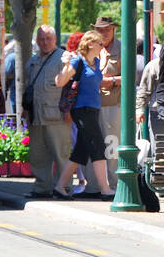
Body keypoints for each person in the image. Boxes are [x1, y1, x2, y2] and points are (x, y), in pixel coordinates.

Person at [53, 30, 116, 200]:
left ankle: (59, 187)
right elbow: (59, 82)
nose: (103, 46)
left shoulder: (95, 61)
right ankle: (105, 189)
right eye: (100, 43)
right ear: (90, 44)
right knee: (98, 147)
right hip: (82, 109)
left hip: (93, 109)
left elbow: (97, 79)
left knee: (80, 153)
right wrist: (65, 65)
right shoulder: (77, 60)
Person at [25, 25, 71, 198]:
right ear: (37, 41)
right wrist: (26, 111)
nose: (44, 42)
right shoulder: (33, 61)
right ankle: (41, 188)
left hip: (57, 116)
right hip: (36, 116)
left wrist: (68, 111)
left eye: (48, 39)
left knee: (61, 154)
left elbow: (70, 88)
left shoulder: (63, 58)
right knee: (38, 155)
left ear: (55, 39)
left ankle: (63, 187)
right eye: (41, 39)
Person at [89, 16, 122, 194]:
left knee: (112, 144)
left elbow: (130, 78)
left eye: (106, 29)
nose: (103, 33)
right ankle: (96, 185)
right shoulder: (93, 48)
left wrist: (110, 81)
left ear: (113, 30)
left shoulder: (122, 48)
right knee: (95, 145)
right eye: (100, 30)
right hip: (92, 105)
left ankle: (114, 184)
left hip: (112, 104)